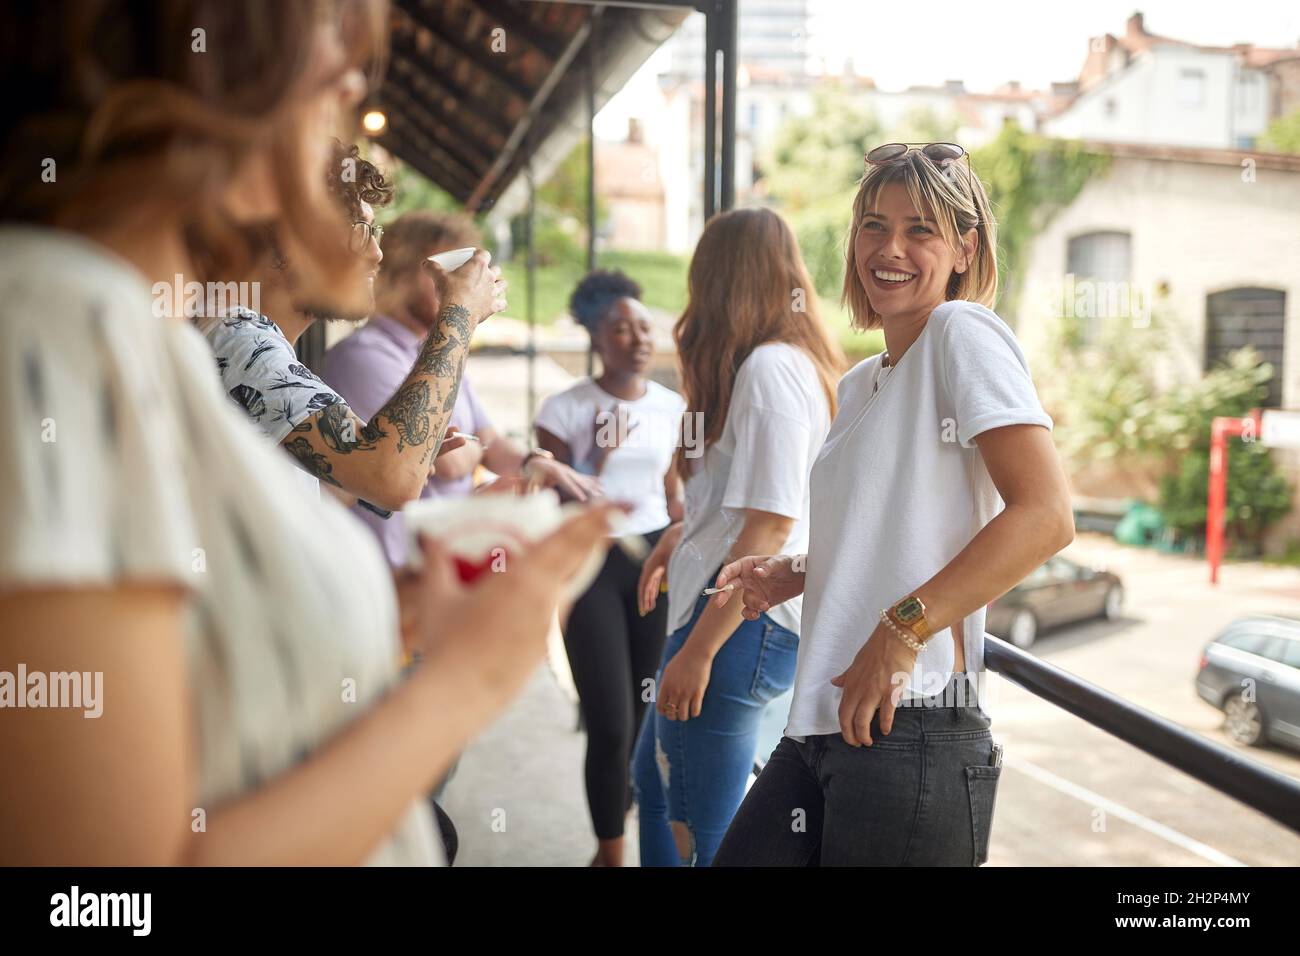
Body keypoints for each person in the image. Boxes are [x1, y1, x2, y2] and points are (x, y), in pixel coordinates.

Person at [0, 0, 617, 866]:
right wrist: (468, 678)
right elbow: (104, 895)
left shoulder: (140, 335)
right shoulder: (62, 323)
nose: (349, 90)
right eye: (329, 63)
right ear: (202, 90)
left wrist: (402, 614)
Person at [710, 143, 1074, 866]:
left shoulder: (960, 333)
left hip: (914, 730)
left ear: (965, 247)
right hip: (820, 724)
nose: (890, 248)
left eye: (921, 230)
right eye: (874, 225)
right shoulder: (861, 383)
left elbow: (1045, 516)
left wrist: (902, 629)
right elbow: (899, 528)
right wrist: (798, 572)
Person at [631, 209, 844, 867]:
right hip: (726, 616)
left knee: (708, 832)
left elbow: (773, 523)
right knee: (657, 784)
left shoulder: (772, 370)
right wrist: (680, 534)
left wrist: (698, 649)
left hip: (736, 625)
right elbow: (739, 504)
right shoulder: (771, 365)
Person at [198, 142, 493, 511]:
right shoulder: (237, 338)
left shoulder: (243, 340)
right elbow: (389, 479)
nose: (375, 254)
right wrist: (459, 312)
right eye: (358, 231)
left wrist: (409, 453)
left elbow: (350, 482)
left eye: (374, 233)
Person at [321, 211, 599, 567]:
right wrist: (472, 449)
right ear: (401, 275)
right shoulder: (362, 356)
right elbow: (447, 462)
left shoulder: (436, 351)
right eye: (445, 270)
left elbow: (488, 441)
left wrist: (534, 462)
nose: (459, 284)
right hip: (396, 568)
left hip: (446, 557)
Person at [531, 269, 686, 867]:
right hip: (591, 562)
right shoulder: (564, 408)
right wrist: (600, 451)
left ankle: (635, 832)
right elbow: (554, 502)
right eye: (621, 329)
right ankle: (611, 851)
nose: (638, 338)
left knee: (649, 720)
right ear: (596, 337)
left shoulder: (673, 407)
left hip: (653, 560)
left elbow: (675, 499)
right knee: (611, 720)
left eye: (645, 327)